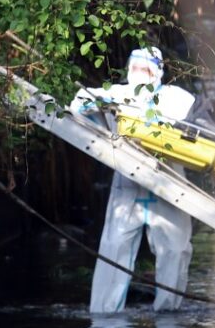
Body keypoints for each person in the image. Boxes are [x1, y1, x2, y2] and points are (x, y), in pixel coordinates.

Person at [71, 47, 195, 312]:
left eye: (146, 69)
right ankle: (104, 316)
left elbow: (189, 125)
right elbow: (78, 105)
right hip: (127, 185)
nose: (139, 73)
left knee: (175, 250)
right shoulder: (116, 94)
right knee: (114, 248)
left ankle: (168, 315)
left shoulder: (175, 98)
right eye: (135, 68)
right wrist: (97, 104)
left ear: (158, 72)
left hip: (168, 183)